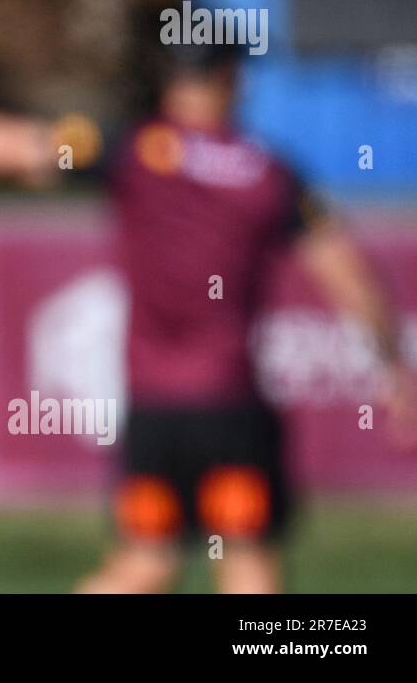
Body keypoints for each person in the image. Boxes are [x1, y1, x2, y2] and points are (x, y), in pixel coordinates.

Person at [72, 37, 417, 593]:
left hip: (154, 411)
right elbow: (347, 272)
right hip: (231, 407)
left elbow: (24, 146)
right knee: (246, 561)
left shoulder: (132, 149)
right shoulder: (268, 173)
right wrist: (394, 368)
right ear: (230, 78)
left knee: (146, 563)